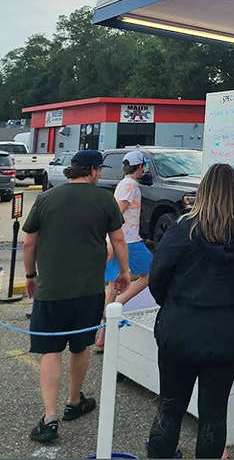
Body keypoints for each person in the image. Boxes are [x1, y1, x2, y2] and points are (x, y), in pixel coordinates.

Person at [146, 162, 234, 460]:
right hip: (229, 332)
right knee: (214, 411)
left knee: (170, 406)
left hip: (181, 329)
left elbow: (157, 277)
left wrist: (174, 304)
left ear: (203, 191)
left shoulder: (182, 229)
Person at [22, 149, 131, 444]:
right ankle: (73, 402)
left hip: (51, 291)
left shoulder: (47, 198)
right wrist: (124, 272)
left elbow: (29, 242)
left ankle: (49, 417)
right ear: (93, 170)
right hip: (88, 291)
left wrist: (30, 276)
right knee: (80, 346)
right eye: (99, 170)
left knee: (50, 350)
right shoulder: (104, 200)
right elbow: (118, 239)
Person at [94, 150, 153, 351]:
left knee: (113, 285)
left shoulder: (122, 183)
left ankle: (102, 337)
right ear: (140, 167)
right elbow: (118, 211)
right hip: (129, 241)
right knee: (150, 274)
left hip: (118, 240)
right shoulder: (131, 185)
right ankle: (117, 306)